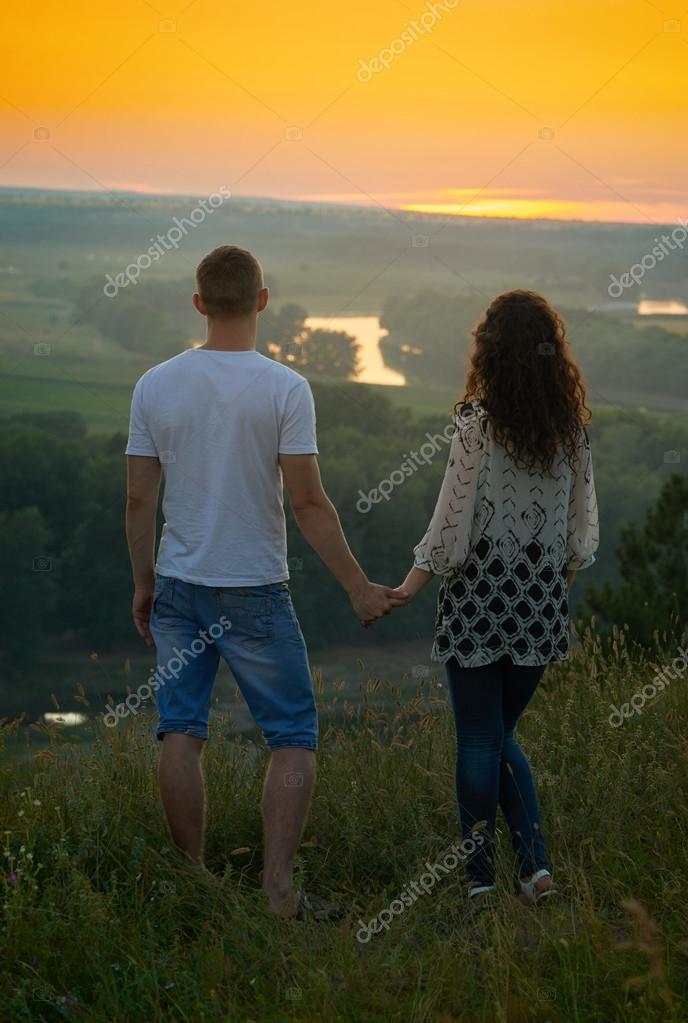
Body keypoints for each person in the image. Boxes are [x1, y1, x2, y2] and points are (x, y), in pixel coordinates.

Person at [124, 244, 406, 916]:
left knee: (180, 731)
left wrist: (144, 583)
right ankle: (278, 890)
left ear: (199, 304)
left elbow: (138, 501)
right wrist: (359, 587)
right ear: (262, 300)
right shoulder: (284, 388)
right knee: (292, 735)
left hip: (178, 585)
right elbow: (308, 502)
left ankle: (194, 880)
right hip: (253, 587)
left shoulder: (154, 384)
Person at [397, 290, 599, 906]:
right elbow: (579, 528)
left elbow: (450, 519)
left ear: (489, 352)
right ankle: (536, 872)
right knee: (502, 735)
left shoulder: (476, 425)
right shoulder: (569, 431)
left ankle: (480, 878)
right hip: (538, 601)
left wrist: (410, 585)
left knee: (481, 740)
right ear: (551, 353)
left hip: (479, 596)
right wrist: (553, 589)